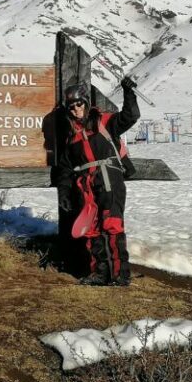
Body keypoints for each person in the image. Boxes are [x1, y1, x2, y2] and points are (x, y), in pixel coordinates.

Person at [56, 77, 140, 286]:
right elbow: (65, 170)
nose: (76, 109)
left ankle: (121, 274)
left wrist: (128, 93)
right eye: (72, 106)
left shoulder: (105, 123)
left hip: (109, 181)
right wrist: (64, 193)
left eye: (79, 104)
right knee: (92, 230)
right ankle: (100, 273)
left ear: (86, 102)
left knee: (112, 225)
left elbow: (131, 116)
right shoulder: (71, 137)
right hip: (87, 188)